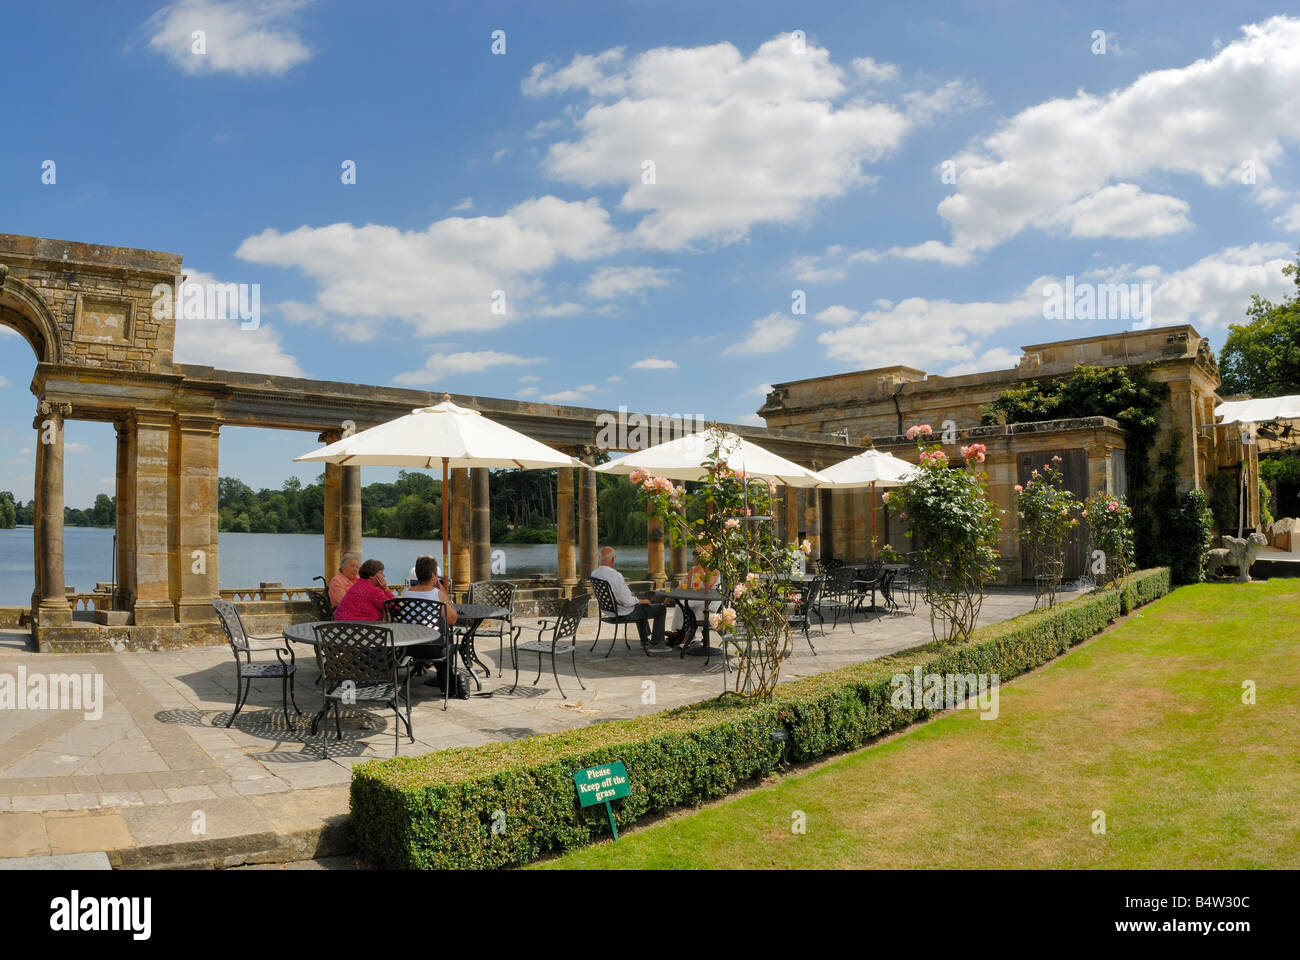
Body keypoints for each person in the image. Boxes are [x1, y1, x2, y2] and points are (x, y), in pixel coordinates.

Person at [589, 546, 670, 647]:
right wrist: (641, 601)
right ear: (613, 559)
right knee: (660, 609)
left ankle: (645, 640)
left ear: (600, 558)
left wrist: (638, 601)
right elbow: (627, 601)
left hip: (607, 610)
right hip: (622, 613)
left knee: (640, 605)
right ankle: (657, 642)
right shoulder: (616, 575)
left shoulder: (594, 573)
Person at [402, 555, 458, 626]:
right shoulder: (438, 594)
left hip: (409, 635)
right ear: (433, 575)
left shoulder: (406, 593)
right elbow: (452, 620)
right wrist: (444, 593)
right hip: (431, 636)